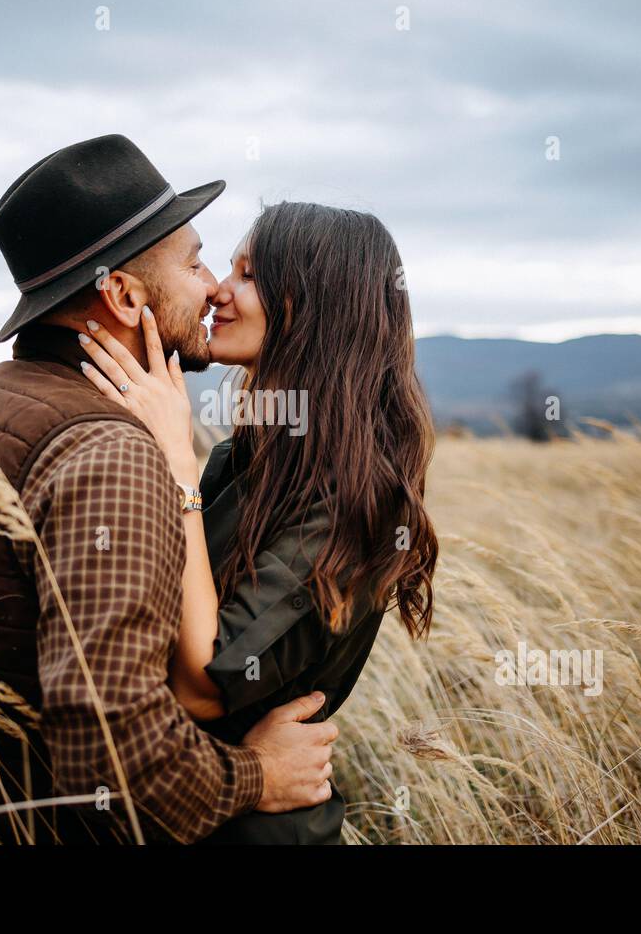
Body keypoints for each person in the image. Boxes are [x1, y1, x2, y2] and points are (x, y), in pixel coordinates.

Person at [0, 135, 336, 844]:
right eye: (196, 261)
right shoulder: (108, 451)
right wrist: (258, 775)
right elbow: (113, 754)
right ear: (122, 292)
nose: (212, 288)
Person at [78, 200, 439, 842]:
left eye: (248, 275)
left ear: (309, 307)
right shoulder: (251, 458)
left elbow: (206, 684)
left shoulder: (356, 502)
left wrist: (177, 467)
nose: (218, 287)